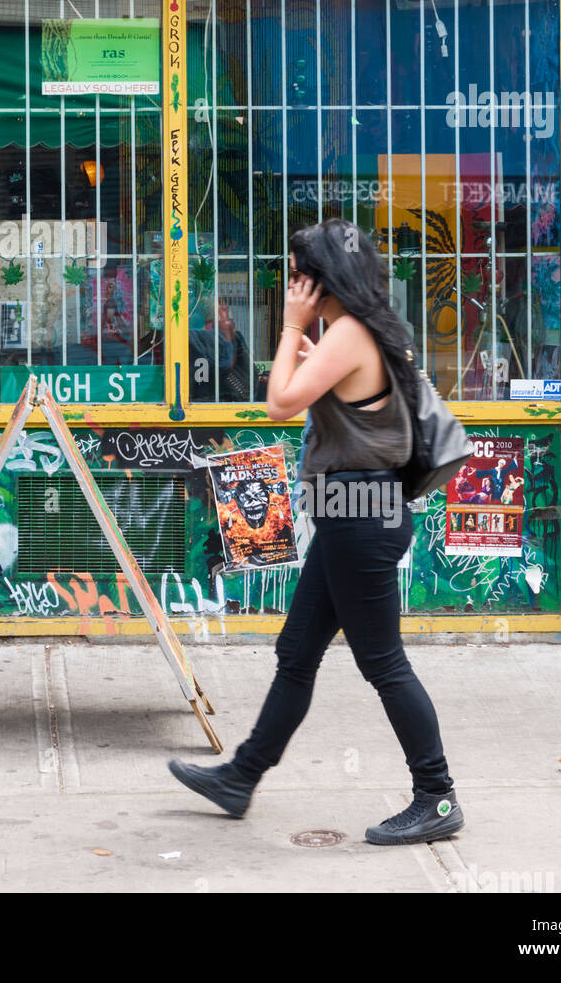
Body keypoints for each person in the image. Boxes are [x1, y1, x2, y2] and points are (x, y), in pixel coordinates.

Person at [168, 218, 463, 845]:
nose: (293, 283)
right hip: (349, 518)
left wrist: (292, 327)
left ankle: (436, 797)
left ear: (326, 278)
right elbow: (335, 395)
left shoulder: (349, 332)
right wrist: (307, 346)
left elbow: (279, 403)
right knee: (296, 653)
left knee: (383, 663)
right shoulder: (366, 330)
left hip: (361, 519)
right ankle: (241, 777)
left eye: (300, 274)